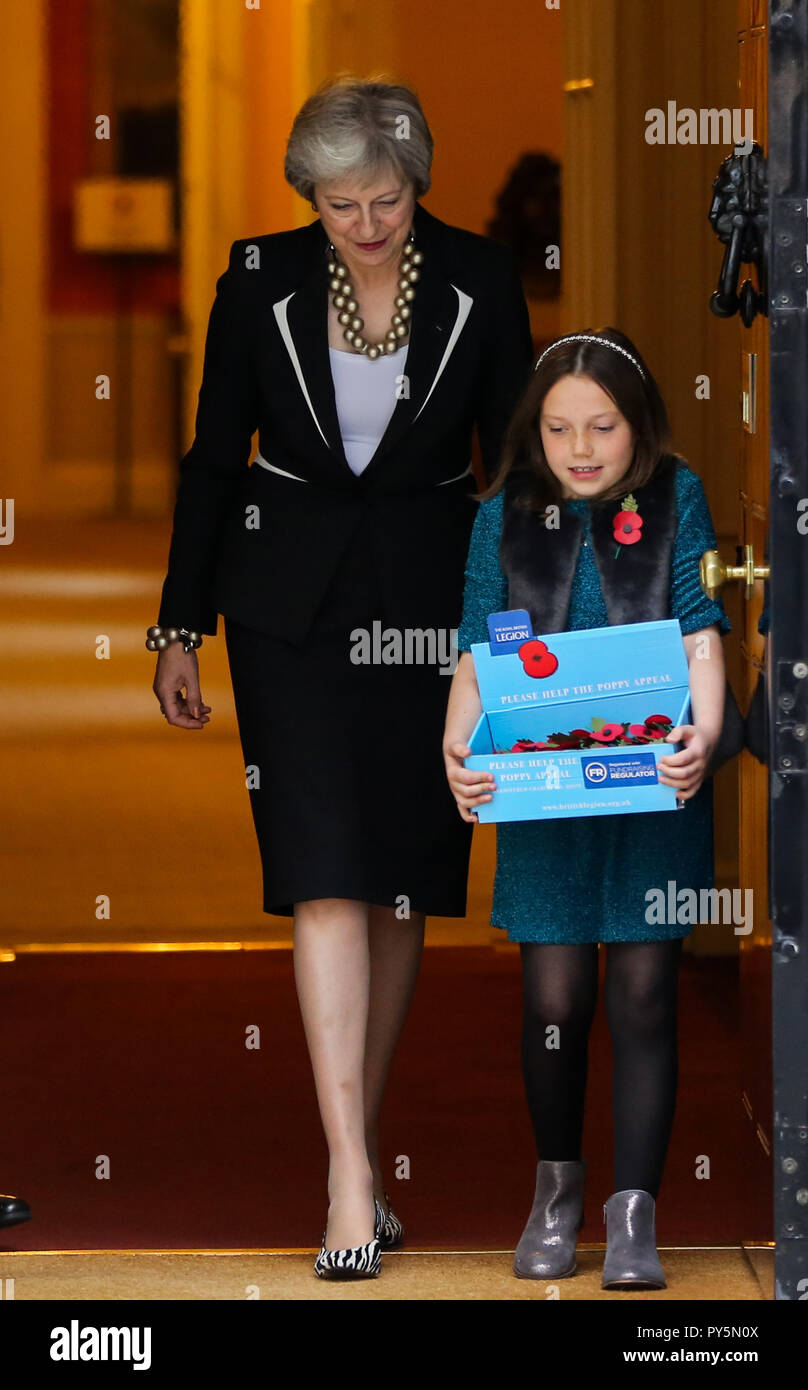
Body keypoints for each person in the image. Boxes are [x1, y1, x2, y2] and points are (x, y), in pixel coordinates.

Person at [149, 77, 532, 1279]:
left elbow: (515, 462)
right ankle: (349, 1179)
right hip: (287, 608)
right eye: (338, 203)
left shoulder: (477, 276)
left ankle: (357, 1133)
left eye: (386, 199)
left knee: (404, 880)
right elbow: (216, 454)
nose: (365, 225)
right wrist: (178, 625)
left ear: (418, 184)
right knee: (320, 869)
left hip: (431, 606)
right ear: (305, 196)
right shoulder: (257, 277)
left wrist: (524, 630)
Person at [443, 328, 730, 1290]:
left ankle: (636, 1216)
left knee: (646, 995)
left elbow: (701, 630)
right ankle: (556, 1194)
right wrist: (458, 745)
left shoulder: (676, 494)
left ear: (637, 424)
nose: (581, 448)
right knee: (556, 998)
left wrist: (707, 732)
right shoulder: (504, 515)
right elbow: (481, 645)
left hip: (656, 790)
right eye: (561, 428)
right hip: (547, 799)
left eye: (602, 426)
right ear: (536, 432)